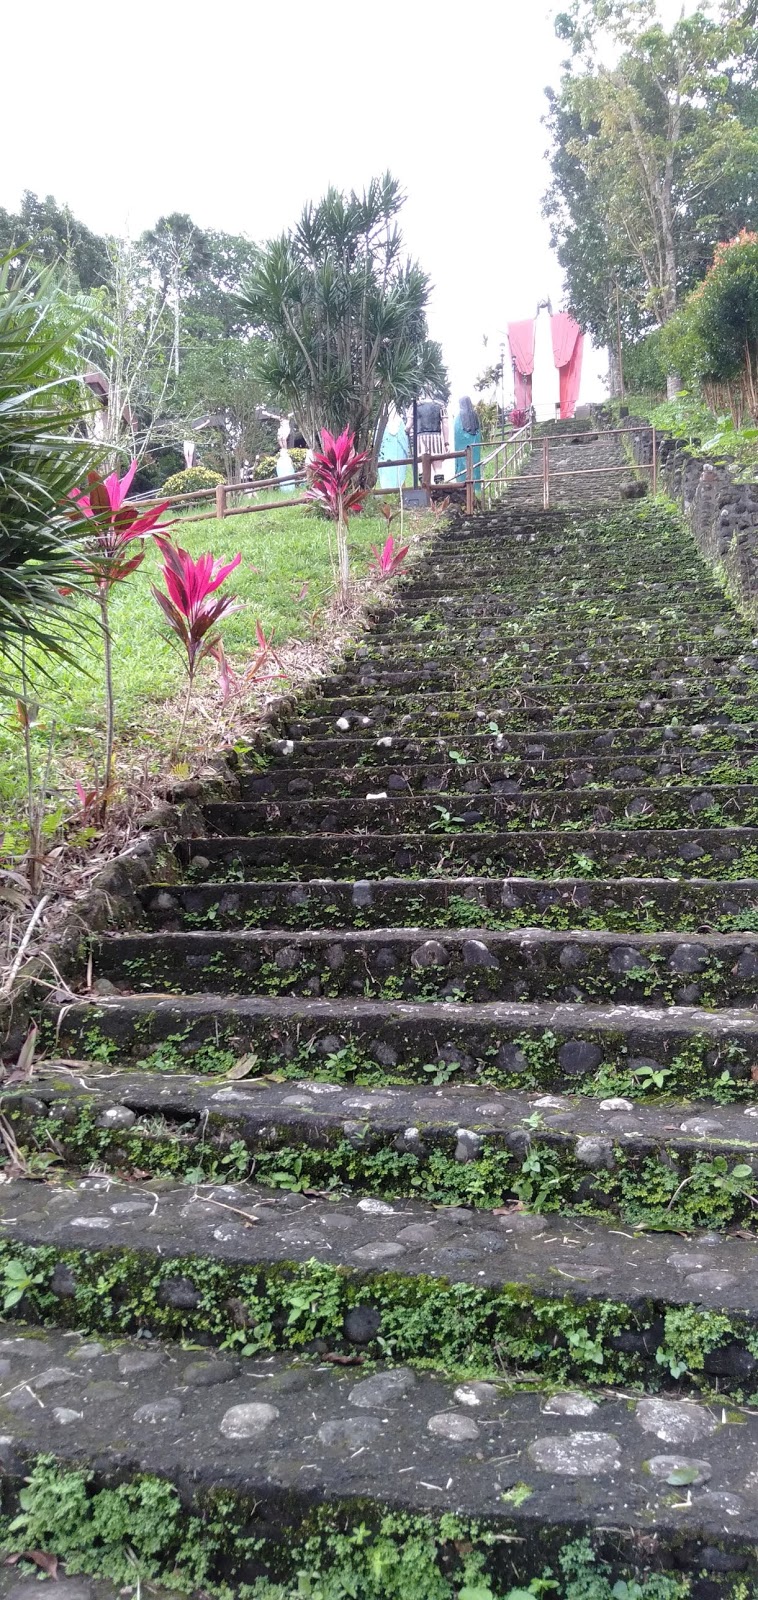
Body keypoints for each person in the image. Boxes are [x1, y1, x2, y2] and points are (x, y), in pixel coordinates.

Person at [415, 395, 449, 482]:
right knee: (438, 469)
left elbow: (408, 425)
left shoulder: (415, 405)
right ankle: (440, 492)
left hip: (420, 439)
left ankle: (425, 493)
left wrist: (407, 431)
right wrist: (446, 443)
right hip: (436, 438)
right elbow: (445, 424)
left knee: (422, 469)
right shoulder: (440, 405)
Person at [453, 396, 482, 497]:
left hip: (462, 447)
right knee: (475, 464)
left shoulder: (458, 418)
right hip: (475, 446)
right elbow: (478, 432)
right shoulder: (474, 415)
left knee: (462, 464)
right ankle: (476, 487)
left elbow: (456, 432)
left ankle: (463, 485)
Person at [377, 407, 410, 490]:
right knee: (387, 473)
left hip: (398, 454)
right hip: (386, 453)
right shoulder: (382, 423)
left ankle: (396, 493)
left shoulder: (399, 423)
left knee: (398, 473)